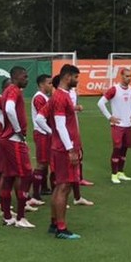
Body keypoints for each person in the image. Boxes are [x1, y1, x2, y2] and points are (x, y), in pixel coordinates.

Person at [0, 66, 35, 228]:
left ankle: (7, 216)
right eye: (24, 77)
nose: (27, 80)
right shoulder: (14, 90)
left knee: (9, 176)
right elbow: (9, 109)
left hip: (6, 139)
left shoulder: (8, 91)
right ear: (16, 77)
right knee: (25, 175)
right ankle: (20, 218)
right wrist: (18, 130)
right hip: (13, 140)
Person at [47, 66, 82, 240]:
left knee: (59, 185)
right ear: (67, 77)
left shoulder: (59, 96)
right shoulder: (61, 96)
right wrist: (70, 149)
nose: (77, 80)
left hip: (59, 147)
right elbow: (60, 124)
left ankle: (54, 224)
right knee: (64, 187)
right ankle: (61, 228)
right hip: (63, 149)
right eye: (76, 77)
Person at [97, 67, 131, 184]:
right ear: (121, 76)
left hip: (128, 125)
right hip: (118, 125)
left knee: (124, 149)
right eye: (126, 76)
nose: (128, 78)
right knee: (117, 149)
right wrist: (110, 117)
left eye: (130, 76)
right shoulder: (114, 89)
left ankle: (121, 172)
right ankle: (114, 174)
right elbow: (100, 103)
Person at [29, 74, 54, 208]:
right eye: (49, 83)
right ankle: (35, 194)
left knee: (46, 162)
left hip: (46, 132)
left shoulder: (45, 97)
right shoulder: (39, 98)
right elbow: (43, 116)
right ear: (41, 85)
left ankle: (43, 188)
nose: (51, 85)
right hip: (42, 133)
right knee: (41, 163)